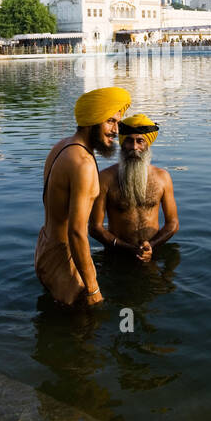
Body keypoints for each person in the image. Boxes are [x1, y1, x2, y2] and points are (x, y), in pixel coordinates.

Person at [36, 87, 130, 306]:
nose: (116, 130)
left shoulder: (62, 146)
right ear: (92, 120)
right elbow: (77, 232)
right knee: (84, 331)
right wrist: (92, 287)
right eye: (110, 121)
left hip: (44, 248)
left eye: (117, 122)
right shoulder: (83, 164)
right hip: (65, 261)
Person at [89, 113, 179, 264]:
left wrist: (152, 245)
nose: (134, 147)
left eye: (140, 141)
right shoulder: (105, 178)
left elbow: (173, 223)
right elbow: (95, 228)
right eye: (129, 141)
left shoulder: (163, 177)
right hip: (116, 255)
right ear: (122, 143)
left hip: (152, 253)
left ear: (147, 145)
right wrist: (128, 249)